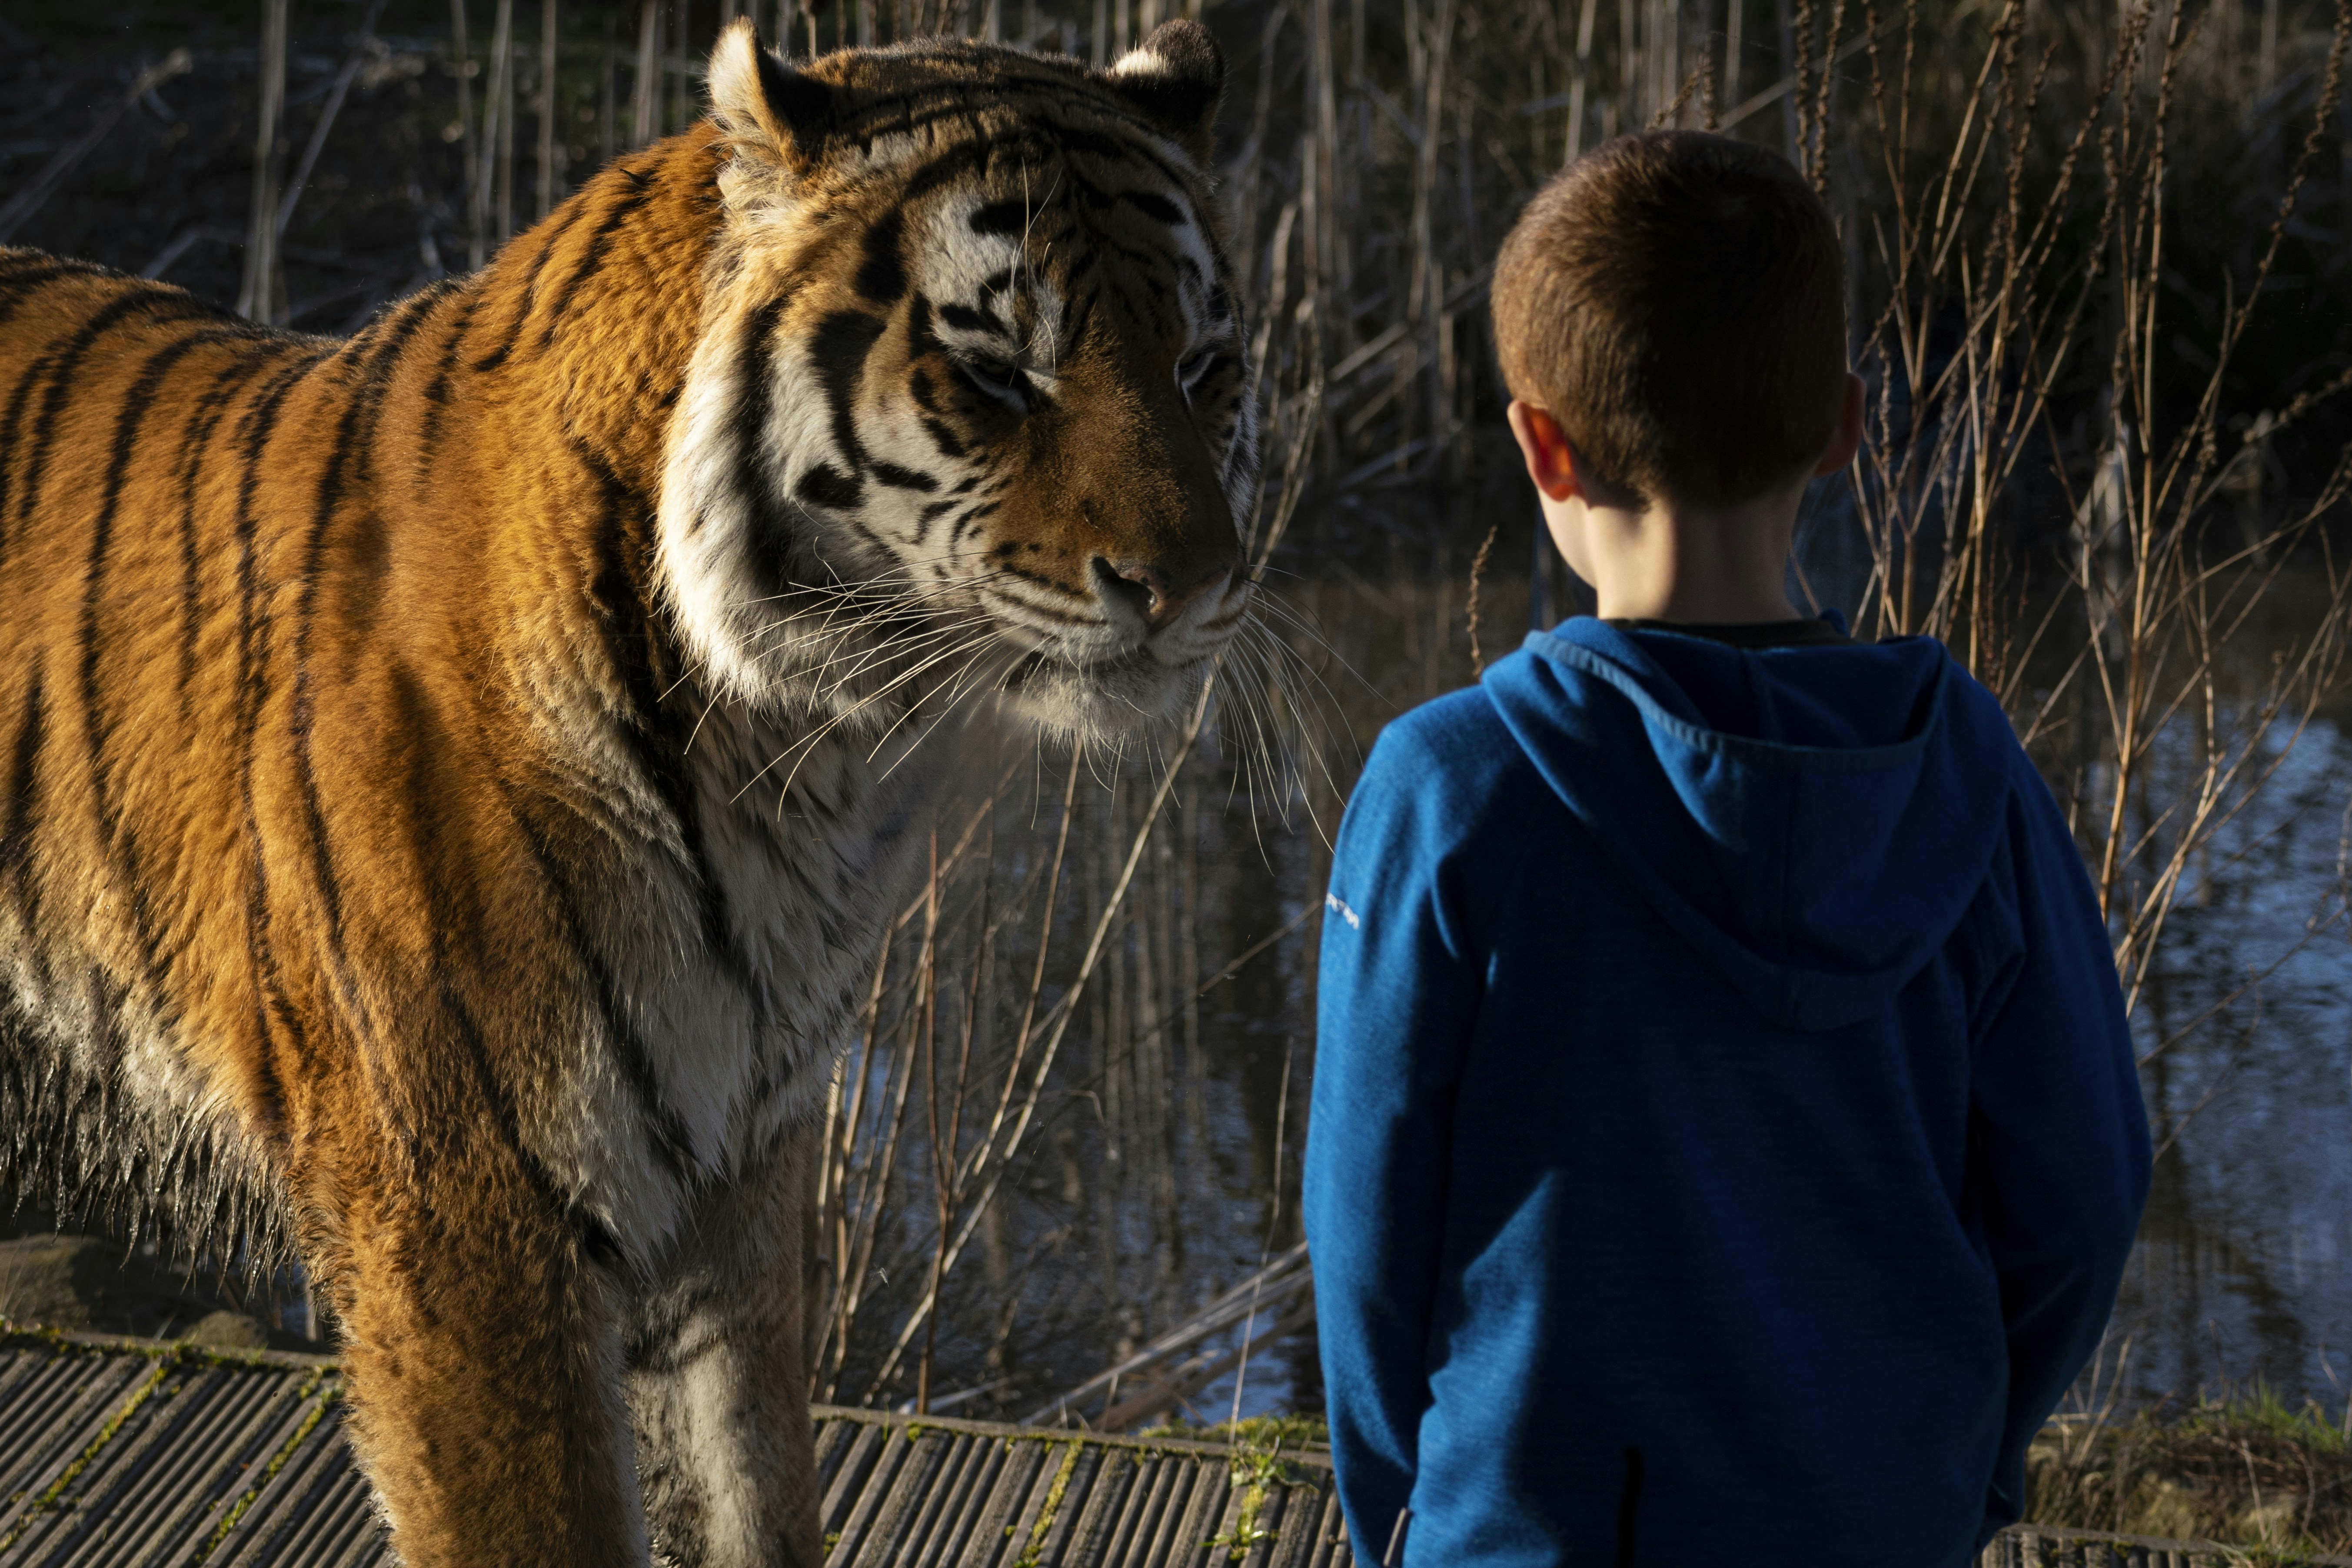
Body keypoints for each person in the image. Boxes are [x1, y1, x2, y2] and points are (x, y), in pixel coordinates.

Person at [1301, 130, 2151, 1567]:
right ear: (1843, 425)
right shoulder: (1966, 774)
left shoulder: (1449, 789)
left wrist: (1404, 1510)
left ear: (1539, 445)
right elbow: (2084, 1191)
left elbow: (1367, 1235)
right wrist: (1954, 1460)